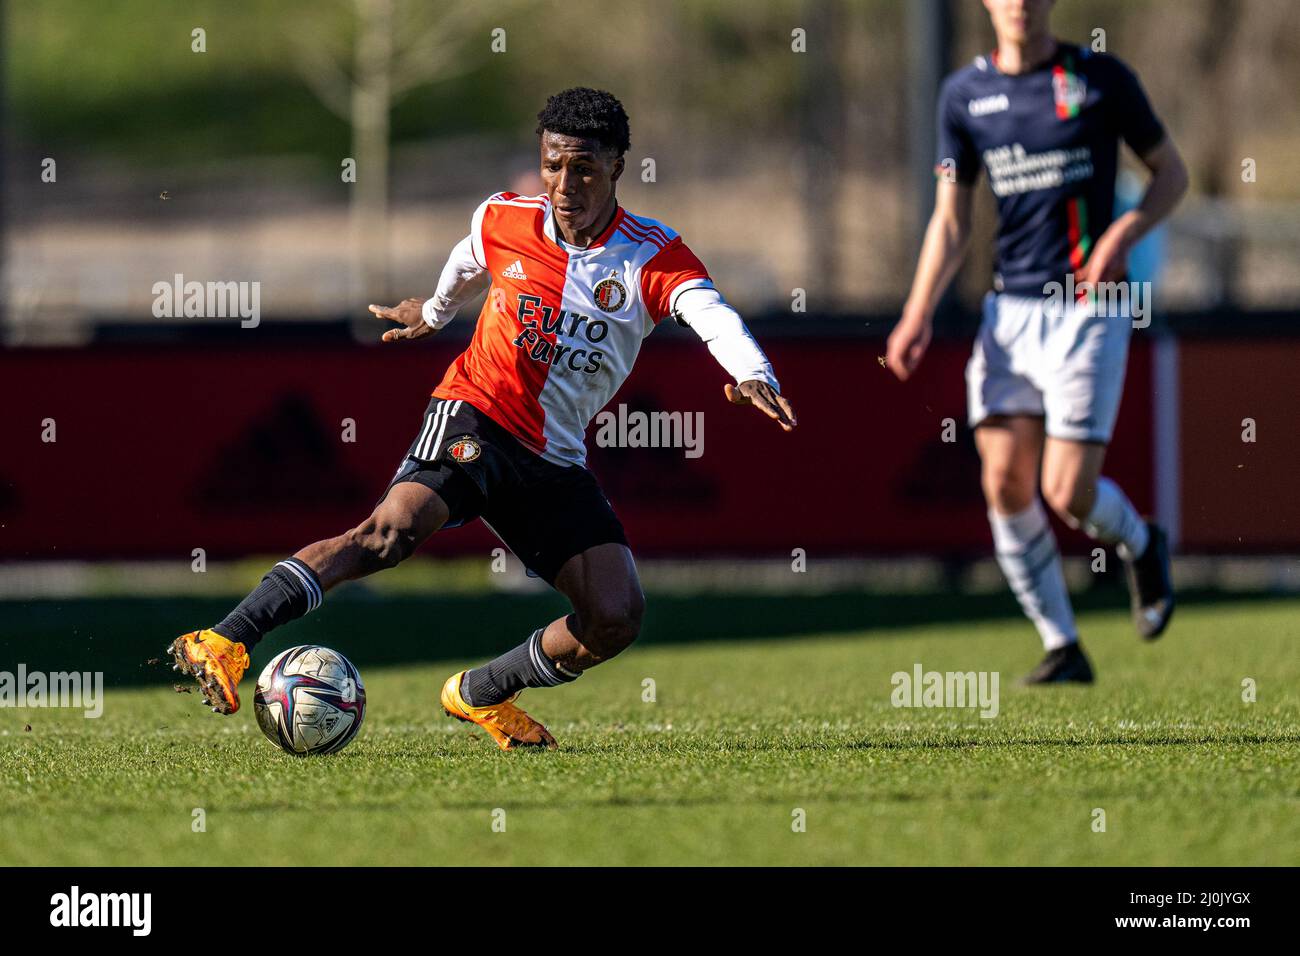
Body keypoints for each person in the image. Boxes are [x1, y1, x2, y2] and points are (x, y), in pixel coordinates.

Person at [886, 0, 1187, 683]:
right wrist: (917, 312)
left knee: (1067, 492)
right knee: (1002, 480)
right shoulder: (964, 95)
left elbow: (1173, 175)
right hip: (1010, 317)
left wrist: (1121, 235)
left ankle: (1141, 543)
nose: (1020, 2)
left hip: (1087, 310)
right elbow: (951, 221)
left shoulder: (1100, 78)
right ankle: (1062, 643)